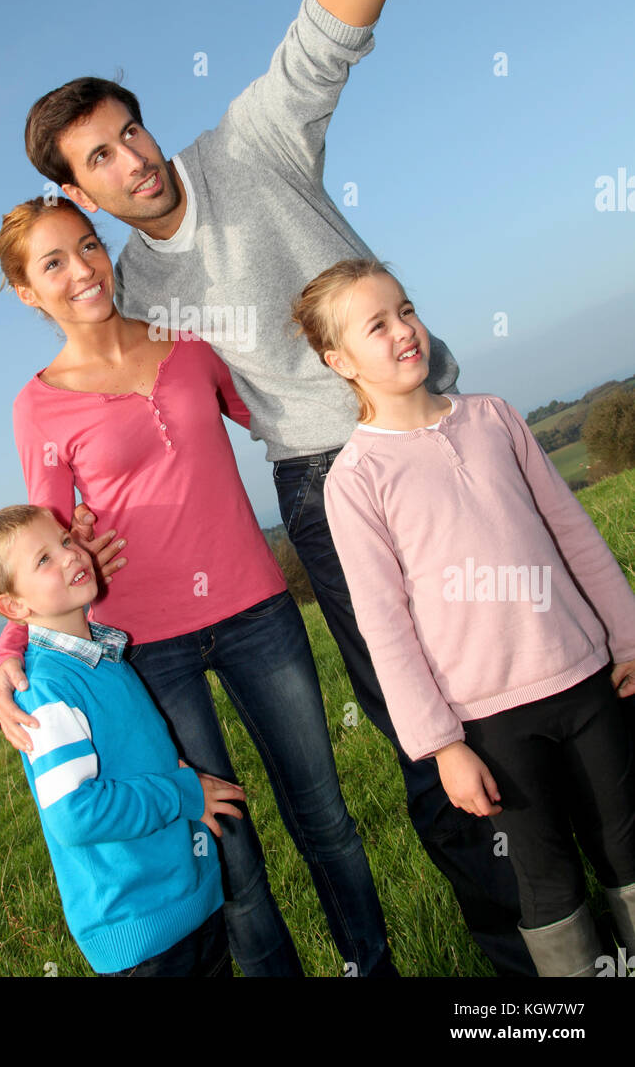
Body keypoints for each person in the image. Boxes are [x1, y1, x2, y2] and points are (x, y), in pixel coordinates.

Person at [0, 0, 564, 975]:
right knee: (425, 722)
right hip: (328, 487)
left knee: (552, 659)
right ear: (75, 197)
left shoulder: (251, 140)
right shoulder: (120, 293)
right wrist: (12, 641)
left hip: (444, 428)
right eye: (99, 158)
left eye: (129, 127)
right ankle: (521, 954)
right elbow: (62, 467)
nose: (132, 157)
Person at [0, 196, 397, 978]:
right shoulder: (37, 407)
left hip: (257, 612)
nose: (81, 270)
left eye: (87, 246)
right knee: (227, 848)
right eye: (53, 264)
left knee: (327, 821)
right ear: (27, 293)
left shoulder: (187, 344)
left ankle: (371, 969)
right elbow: (38, 535)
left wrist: (395, 415)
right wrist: (9, 648)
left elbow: (283, 418)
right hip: (147, 647)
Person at [292, 256, 635, 977]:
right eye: (375, 325)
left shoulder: (494, 416)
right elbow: (383, 627)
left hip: (584, 679)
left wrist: (626, 633)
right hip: (491, 720)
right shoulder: (355, 480)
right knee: (546, 880)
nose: (402, 332)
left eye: (406, 311)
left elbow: (572, 529)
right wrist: (442, 745)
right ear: (338, 359)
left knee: (627, 842)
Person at [0, 503, 235, 977]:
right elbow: (75, 815)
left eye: (65, 540)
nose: (69, 555)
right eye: (43, 560)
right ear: (15, 607)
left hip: (184, 902)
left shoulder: (103, 658)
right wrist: (184, 793)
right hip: (141, 933)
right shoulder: (47, 690)